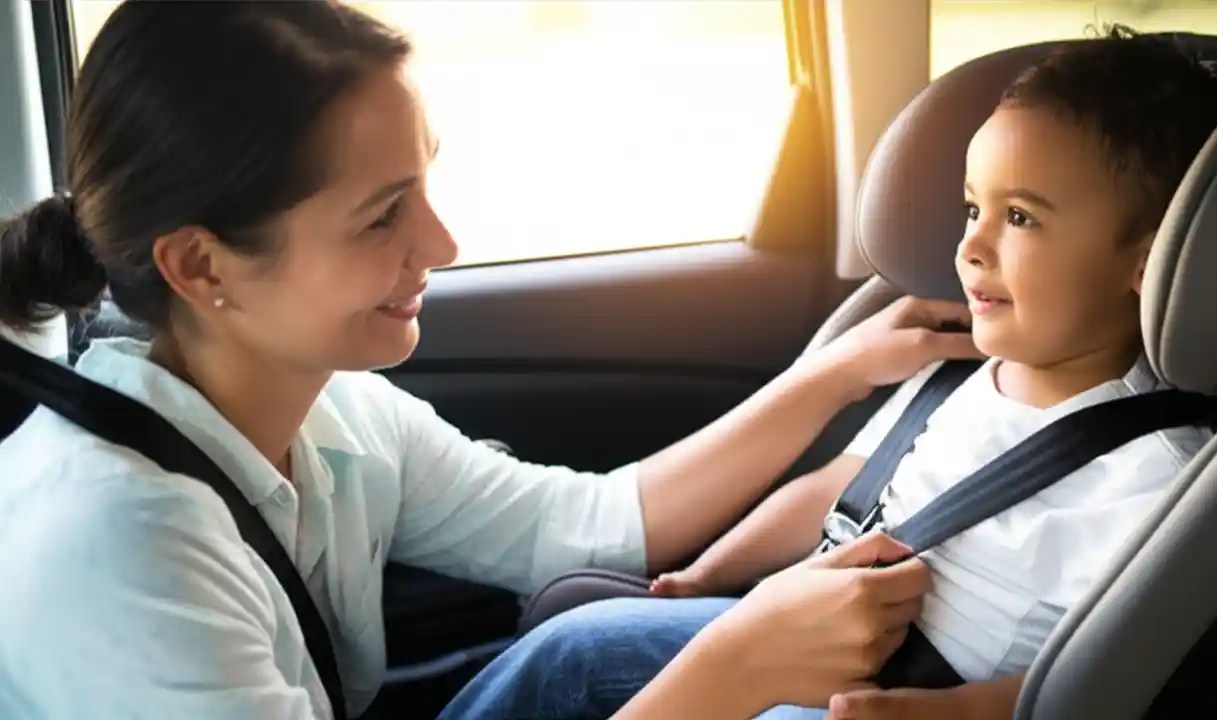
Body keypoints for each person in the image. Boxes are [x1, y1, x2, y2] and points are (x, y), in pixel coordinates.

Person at [0, 3, 986, 719]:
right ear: (200, 264)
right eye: (383, 214)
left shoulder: (331, 410)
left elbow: (592, 525)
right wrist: (734, 664)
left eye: (425, 183)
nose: (441, 243)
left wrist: (834, 375)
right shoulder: (117, 543)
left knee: (580, 647)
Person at [436, 32, 1217, 720]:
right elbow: (834, 492)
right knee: (575, 645)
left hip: (924, 702)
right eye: (971, 209)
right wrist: (706, 580)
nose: (971, 247)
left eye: (1020, 217)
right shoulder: (955, 376)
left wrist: (953, 713)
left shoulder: (1157, 471)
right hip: (805, 641)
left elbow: (1106, 673)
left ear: (1148, 260)